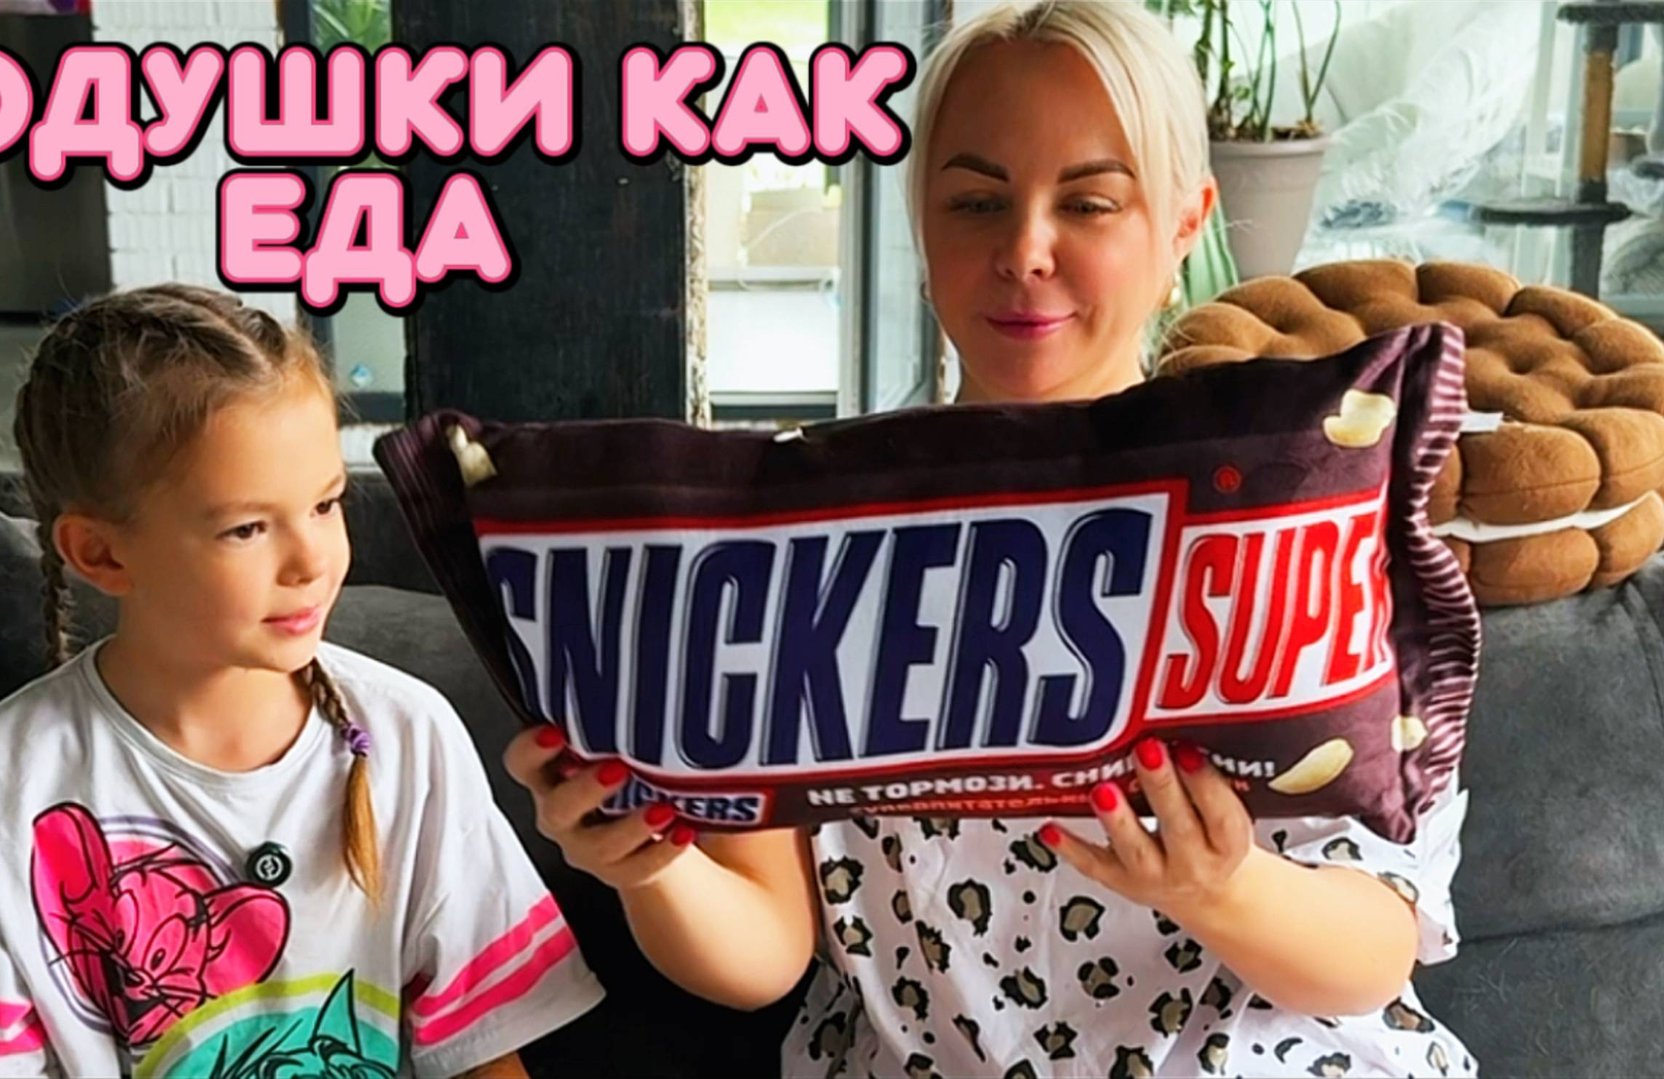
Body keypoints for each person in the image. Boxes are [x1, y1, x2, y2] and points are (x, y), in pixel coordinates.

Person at [504, 2, 1476, 1076]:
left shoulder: (1289, 511)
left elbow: (1374, 950)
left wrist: (1222, 885)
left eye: (1090, 202)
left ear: (1183, 225)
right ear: (921, 227)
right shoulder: (794, 534)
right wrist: (645, 859)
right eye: (975, 202)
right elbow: (765, 950)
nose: (1023, 252)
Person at [0, 285, 602, 1078]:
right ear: (100, 553)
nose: (312, 560)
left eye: (326, 503)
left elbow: (484, 1054)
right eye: (246, 527)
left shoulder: (410, 735)